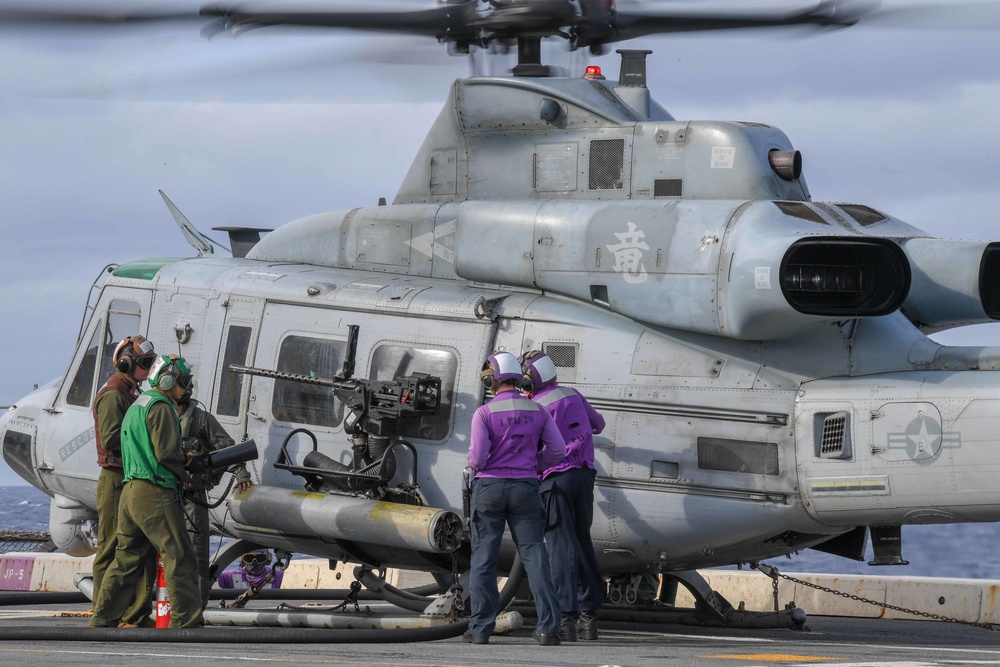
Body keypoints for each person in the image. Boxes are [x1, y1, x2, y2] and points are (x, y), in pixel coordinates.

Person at [90, 355, 204, 629]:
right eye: (183, 382)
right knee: (179, 555)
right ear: (168, 380)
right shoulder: (161, 406)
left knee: (126, 558)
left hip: (129, 492)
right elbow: (165, 454)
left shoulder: (137, 405)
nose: (186, 388)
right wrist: (188, 464)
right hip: (153, 491)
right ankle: (186, 621)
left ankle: (103, 616)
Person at [465, 351, 567, 646]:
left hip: (490, 489)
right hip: (526, 488)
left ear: (492, 380)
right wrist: (534, 464)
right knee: (535, 555)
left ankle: (480, 628)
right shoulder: (539, 410)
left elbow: (478, 458)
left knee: (483, 557)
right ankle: (549, 628)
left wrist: (479, 463)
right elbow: (558, 451)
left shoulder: (484, 413)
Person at [520, 350, 607, 641]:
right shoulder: (573, 394)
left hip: (554, 479)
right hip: (584, 476)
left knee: (559, 544)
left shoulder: (536, 405)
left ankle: (565, 618)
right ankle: (588, 618)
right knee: (582, 540)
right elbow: (599, 424)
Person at [90, 334, 158, 628]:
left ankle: (133, 614)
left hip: (130, 475)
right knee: (110, 547)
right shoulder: (114, 394)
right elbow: (110, 438)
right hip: (115, 477)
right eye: (144, 364)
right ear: (126, 363)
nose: (148, 369)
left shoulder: (130, 392)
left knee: (138, 545)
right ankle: (103, 612)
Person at [178, 391, 253, 609]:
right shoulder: (159, 415)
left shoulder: (201, 420)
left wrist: (240, 474)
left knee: (196, 555)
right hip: (165, 495)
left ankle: (194, 611)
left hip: (193, 497)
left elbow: (227, 448)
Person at [216, 550, 284, 589]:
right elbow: (210, 577)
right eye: (249, 558)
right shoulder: (231, 577)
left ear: (267, 559)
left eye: (260, 558)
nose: (254, 562)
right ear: (242, 560)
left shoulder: (277, 576)